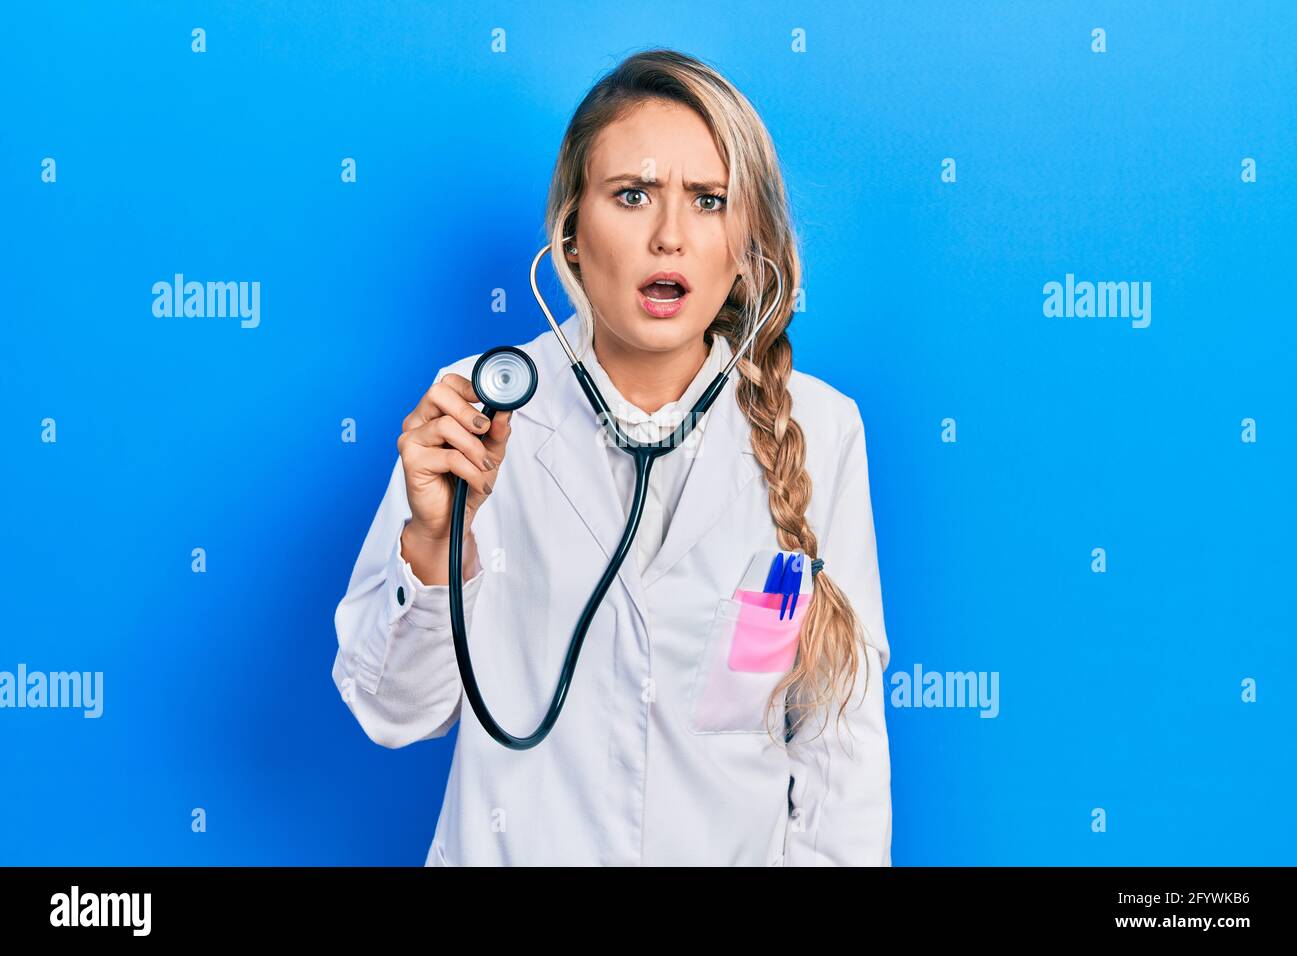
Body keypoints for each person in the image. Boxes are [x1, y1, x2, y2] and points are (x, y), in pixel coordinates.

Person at [332, 48, 892, 866]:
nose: (669, 237)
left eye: (709, 201)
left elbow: (840, 748)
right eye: (632, 196)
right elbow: (393, 713)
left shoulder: (822, 427)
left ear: (747, 243)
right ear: (571, 229)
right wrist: (431, 546)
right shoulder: (473, 410)